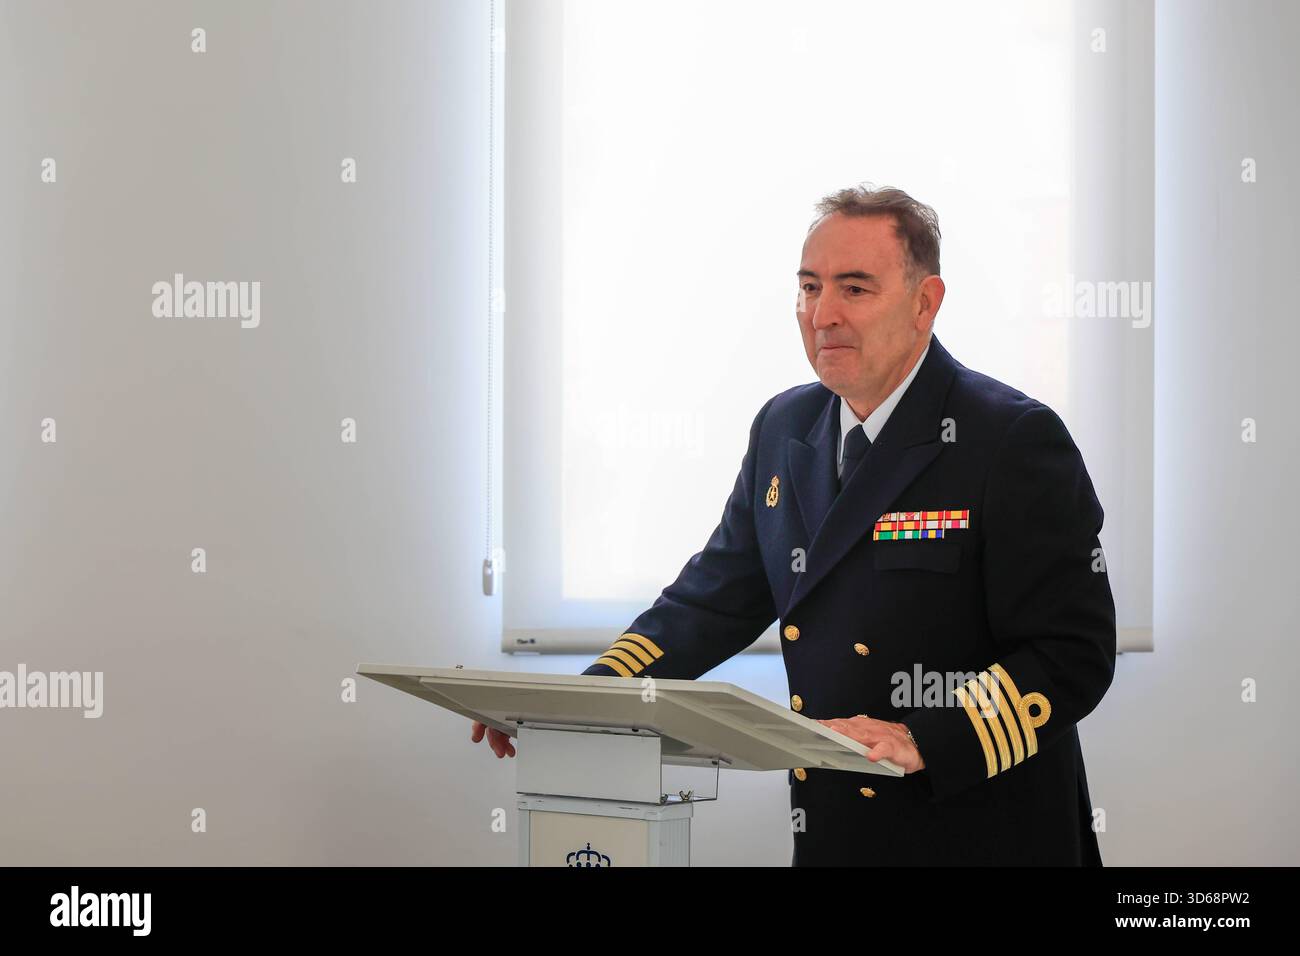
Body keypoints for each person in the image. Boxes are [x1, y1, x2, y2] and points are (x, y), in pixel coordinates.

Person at [473, 184, 1116, 865]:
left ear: (925, 302)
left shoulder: (1008, 437)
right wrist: (588, 701)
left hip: (981, 828)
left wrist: (930, 737)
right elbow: (712, 598)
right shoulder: (785, 427)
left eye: (855, 289)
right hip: (838, 827)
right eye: (810, 287)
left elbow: (1072, 651)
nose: (822, 314)